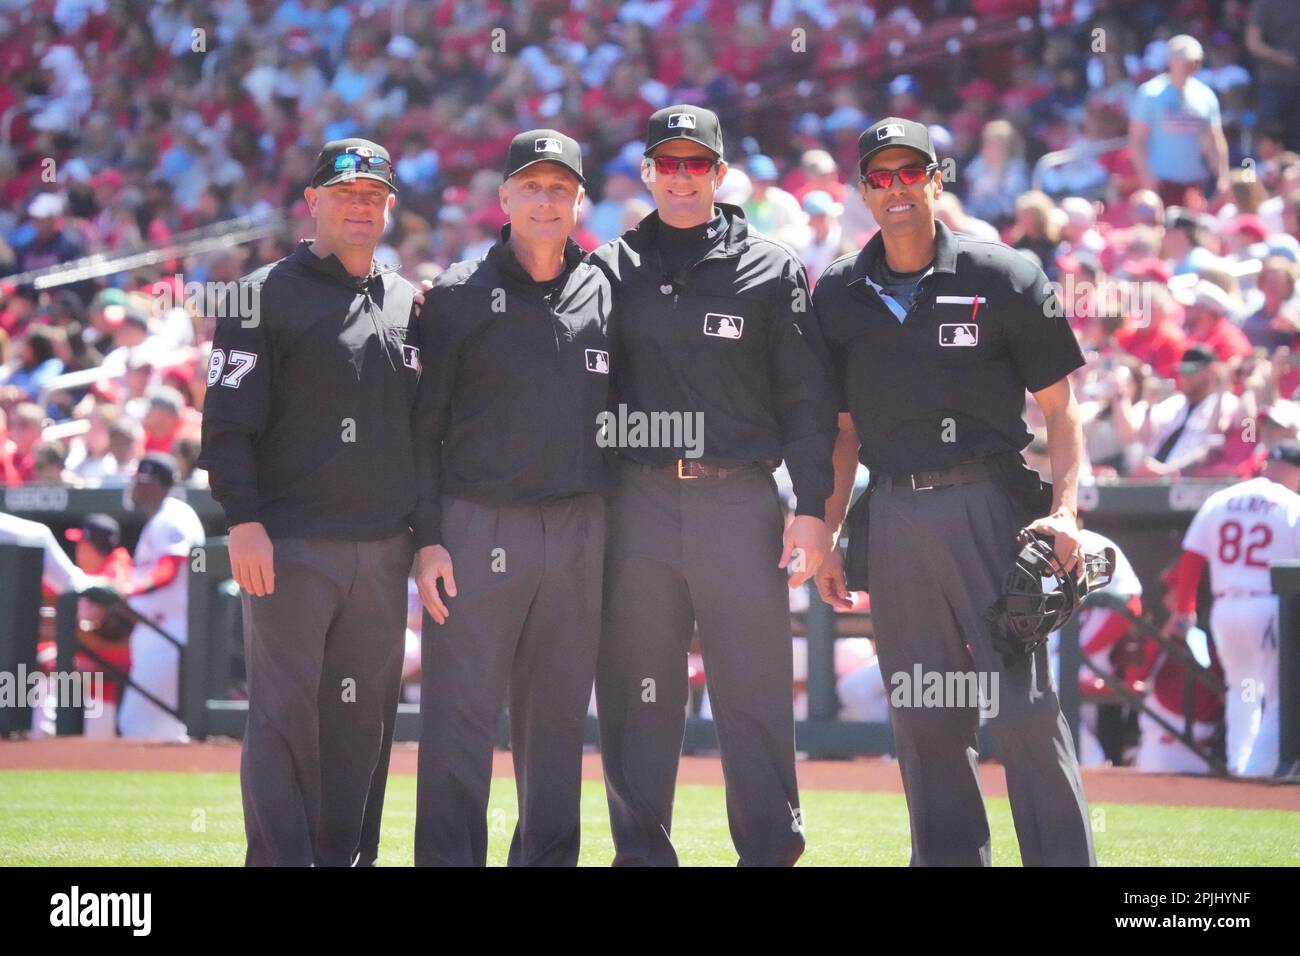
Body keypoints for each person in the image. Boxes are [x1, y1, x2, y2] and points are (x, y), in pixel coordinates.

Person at [814, 117, 1095, 866]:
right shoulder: (838, 292)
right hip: (896, 511)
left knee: (1026, 711)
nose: (898, 188)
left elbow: (1063, 414)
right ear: (865, 192)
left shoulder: (1002, 273)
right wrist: (831, 531)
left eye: (913, 173)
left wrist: (1065, 511)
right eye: (883, 176)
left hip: (991, 509)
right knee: (923, 716)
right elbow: (842, 433)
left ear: (939, 180)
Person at [589, 104, 837, 867]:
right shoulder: (607, 267)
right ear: (649, 175)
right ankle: (640, 855)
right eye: (668, 163)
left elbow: (806, 400)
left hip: (740, 497)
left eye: (697, 163)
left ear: (721, 174)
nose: (682, 177)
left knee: (754, 689)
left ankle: (769, 853)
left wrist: (815, 512)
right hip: (637, 498)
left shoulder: (771, 265)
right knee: (635, 691)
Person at [198, 138, 420, 866]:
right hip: (290, 544)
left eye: (373, 195)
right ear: (313, 201)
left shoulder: (406, 298)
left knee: (361, 725)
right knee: (286, 721)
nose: (361, 206)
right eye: (346, 193)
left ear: (389, 206)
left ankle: (348, 859)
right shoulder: (261, 294)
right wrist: (246, 522)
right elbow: (226, 427)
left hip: (384, 549)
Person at [411, 129, 613, 867]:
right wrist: (427, 537)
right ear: (503, 198)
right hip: (475, 523)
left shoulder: (605, 287)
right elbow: (421, 429)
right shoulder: (457, 296)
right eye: (531, 185)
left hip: (580, 524)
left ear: (579, 200)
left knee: (556, 722)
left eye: (560, 187)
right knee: (459, 719)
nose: (545, 199)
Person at [1165, 441, 1300, 777]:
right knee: (1277, 698)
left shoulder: (1223, 499)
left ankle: (1241, 769)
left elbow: (1191, 558)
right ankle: (1257, 773)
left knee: (1242, 692)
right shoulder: (1291, 504)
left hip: (1226, 608)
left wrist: (1185, 608)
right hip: (1269, 606)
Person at [116, 453, 205, 742]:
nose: (135, 486)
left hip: (168, 631)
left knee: (134, 723)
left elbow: (169, 569)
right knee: (164, 730)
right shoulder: (160, 518)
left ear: (156, 484)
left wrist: (130, 588)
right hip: (155, 631)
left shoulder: (173, 516)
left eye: (141, 481)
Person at [1129, 34, 1230, 207]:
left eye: (1194, 61)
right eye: (1184, 60)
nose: (1190, 66)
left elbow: (1214, 139)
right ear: (1171, 60)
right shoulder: (1150, 94)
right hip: (1162, 182)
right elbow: (1137, 141)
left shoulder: (1205, 95)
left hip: (1196, 182)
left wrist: (1222, 176)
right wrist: (1147, 179)